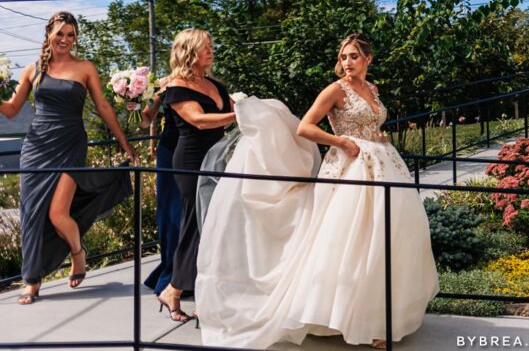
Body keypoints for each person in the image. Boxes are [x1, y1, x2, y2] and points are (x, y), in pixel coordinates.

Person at [196, 33, 438, 349]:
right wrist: (340, 142)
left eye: (353, 56)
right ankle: (344, 316)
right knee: (351, 240)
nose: (347, 62)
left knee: (387, 239)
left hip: (384, 164)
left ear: (368, 59)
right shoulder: (335, 91)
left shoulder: (373, 90)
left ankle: (382, 318)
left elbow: (374, 124)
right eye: (343, 57)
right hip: (348, 168)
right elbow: (305, 127)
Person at [0, 11, 139, 305]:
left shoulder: (85, 67)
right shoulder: (32, 70)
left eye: (71, 35)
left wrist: (126, 146)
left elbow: (103, 107)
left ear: (75, 38)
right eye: (60, 33)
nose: (65, 39)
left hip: (70, 145)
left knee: (57, 213)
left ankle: (78, 254)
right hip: (36, 148)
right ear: (49, 32)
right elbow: (12, 109)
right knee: (31, 215)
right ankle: (32, 280)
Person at [156, 29, 235, 323]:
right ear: (189, 51)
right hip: (190, 161)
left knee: (216, 225)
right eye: (205, 47)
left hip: (219, 159)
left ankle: (181, 291)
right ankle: (179, 290)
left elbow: (231, 113)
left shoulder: (215, 85)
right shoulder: (176, 87)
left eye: (211, 45)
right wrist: (237, 116)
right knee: (196, 225)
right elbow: (199, 120)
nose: (211, 50)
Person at [139, 82, 182, 297]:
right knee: (172, 212)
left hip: (200, 150)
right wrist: (135, 107)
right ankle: (173, 273)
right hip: (170, 151)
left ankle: (190, 272)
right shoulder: (163, 86)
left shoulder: (212, 84)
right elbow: (146, 121)